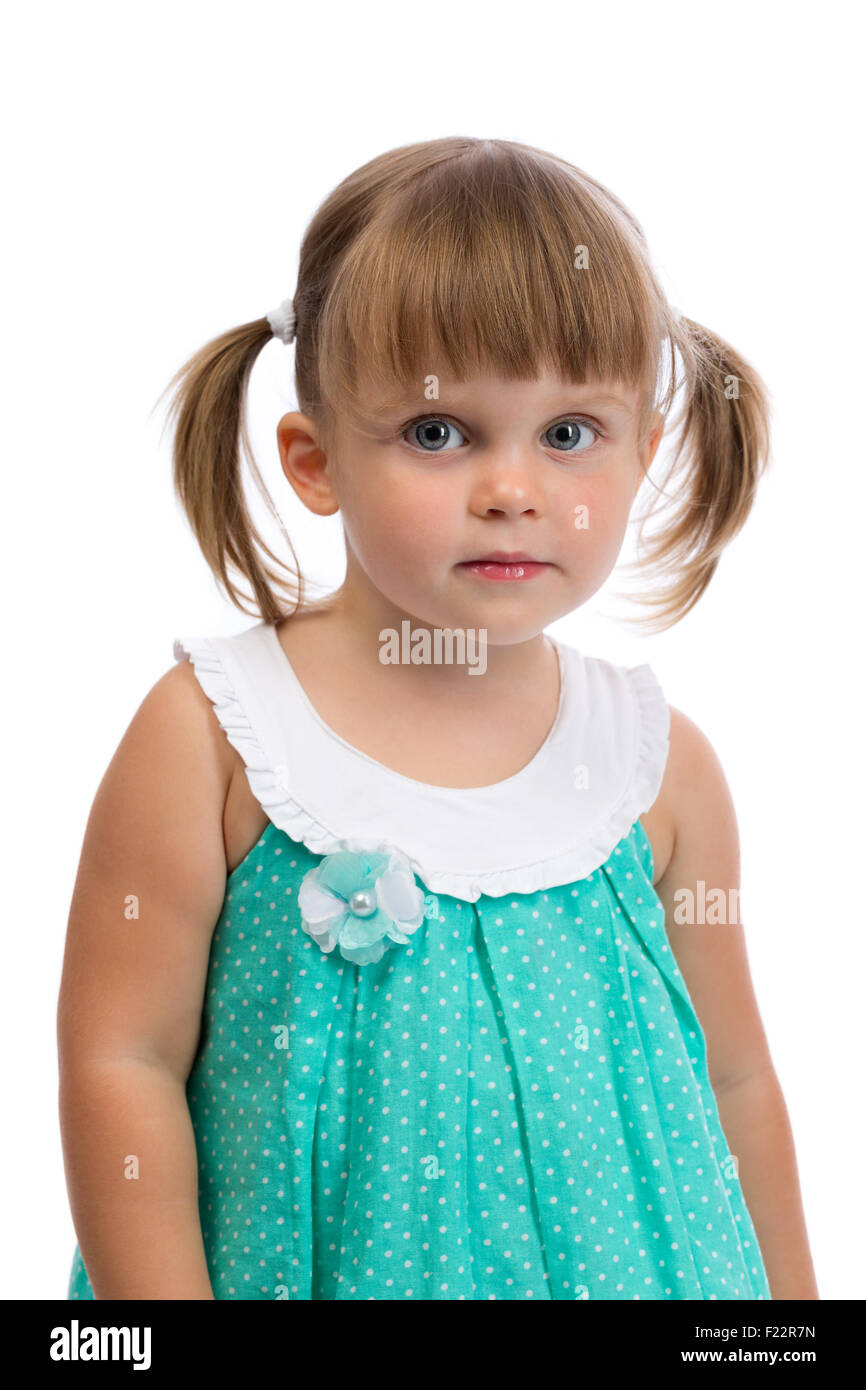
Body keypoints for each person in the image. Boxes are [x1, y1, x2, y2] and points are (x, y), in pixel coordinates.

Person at [58, 136, 818, 1300]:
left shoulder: (653, 769)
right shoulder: (216, 737)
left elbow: (732, 1085)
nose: (511, 488)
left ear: (642, 453)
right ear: (315, 463)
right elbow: (123, 1059)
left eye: (567, 434)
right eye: (436, 432)